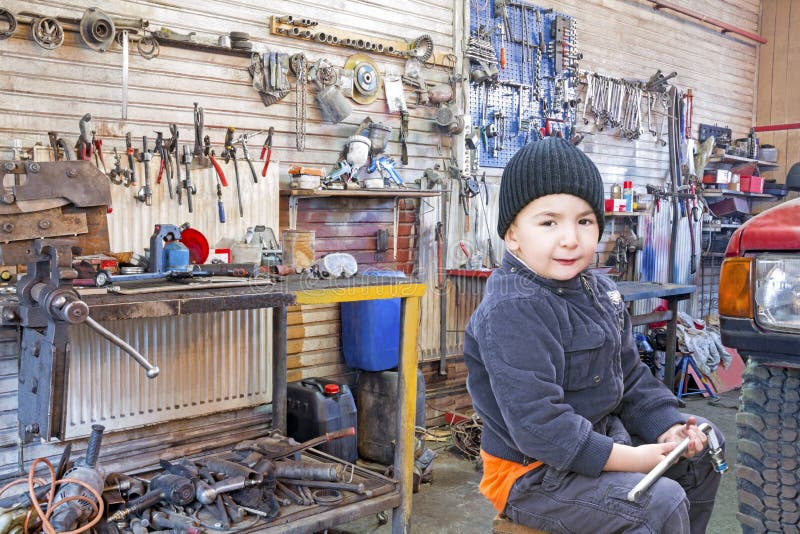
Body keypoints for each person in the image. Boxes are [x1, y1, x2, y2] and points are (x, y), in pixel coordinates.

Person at [464, 137, 722, 534]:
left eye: (584, 221)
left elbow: (631, 378)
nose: (570, 238)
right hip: (531, 475)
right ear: (512, 235)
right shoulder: (512, 309)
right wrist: (639, 459)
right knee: (661, 504)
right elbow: (540, 427)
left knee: (701, 450)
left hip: (601, 440)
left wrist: (667, 425)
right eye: (549, 222)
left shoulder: (599, 292)